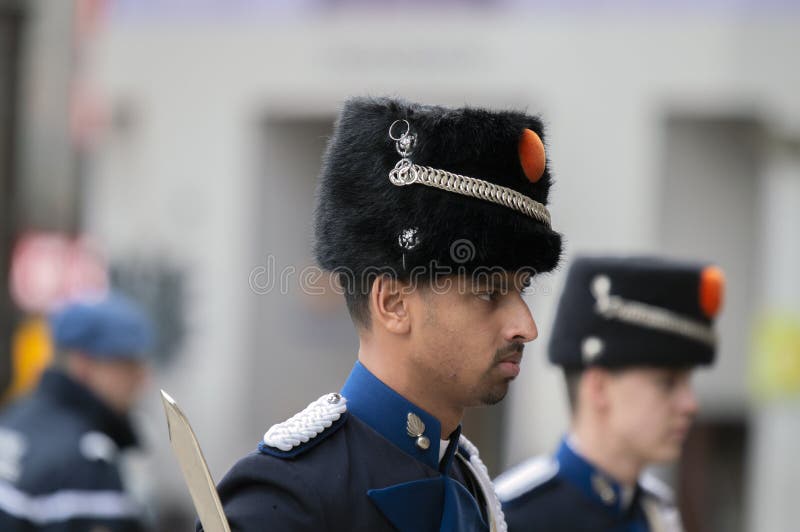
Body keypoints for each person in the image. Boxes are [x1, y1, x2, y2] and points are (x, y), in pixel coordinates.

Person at [200, 97, 563, 531]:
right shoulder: (285, 498)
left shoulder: (471, 486)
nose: (526, 327)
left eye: (521, 290)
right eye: (489, 293)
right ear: (393, 304)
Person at [494, 256, 725, 532]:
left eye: (687, 383)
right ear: (599, 388)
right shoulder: (510, 516)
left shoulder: (657, 513)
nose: (690, 405)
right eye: (667, 383)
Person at [0, 291, 154, 531]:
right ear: (83, 364)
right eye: (127, 363)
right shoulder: (85, 465)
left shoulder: (14, 418)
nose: (141, 379)